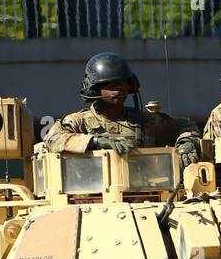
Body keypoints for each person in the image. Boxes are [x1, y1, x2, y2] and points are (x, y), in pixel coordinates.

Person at [44, 53, 202, 172]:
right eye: (110, 85)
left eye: (122, 83)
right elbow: (52, 139)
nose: (119, 89)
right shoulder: (79, 122)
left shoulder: (146, 121)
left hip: (148, 194)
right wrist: (96, 141)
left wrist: (186, 144)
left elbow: (187, 127)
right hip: (93, 197)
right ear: (93, 89)